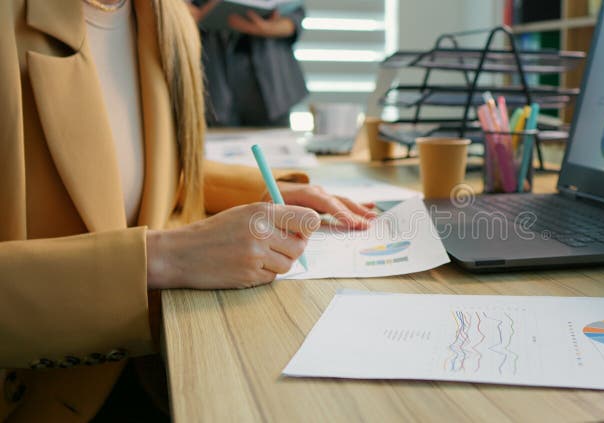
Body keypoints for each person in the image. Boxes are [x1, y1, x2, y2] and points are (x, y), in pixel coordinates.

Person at [0, 0, 374, 421]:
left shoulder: (167, 18)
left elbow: (142, 171)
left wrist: (269, 189)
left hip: (159, 371)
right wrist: (162, 258)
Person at [188, 0, 309, 127]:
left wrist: (269, 28)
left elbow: (295, 16)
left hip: (271, 87)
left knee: (273, 144)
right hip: (214, 81)